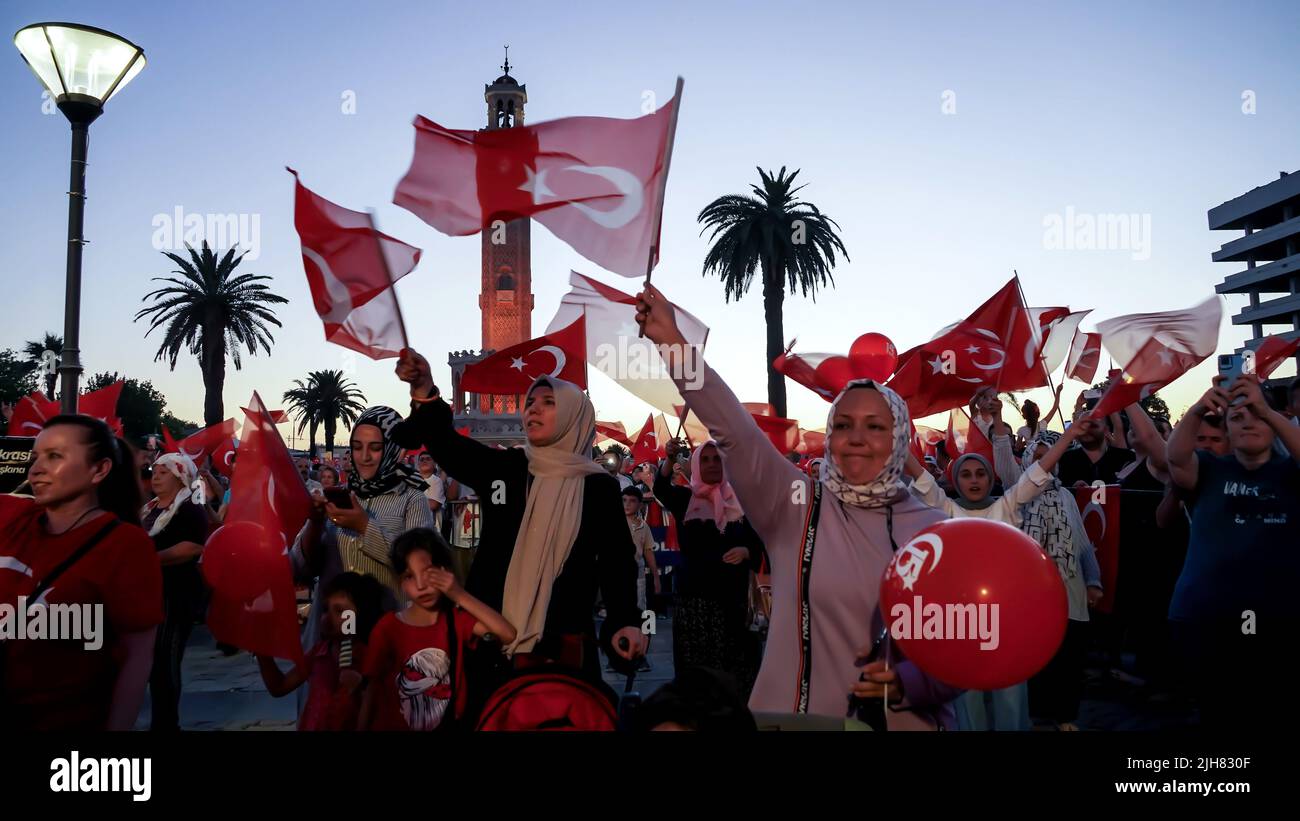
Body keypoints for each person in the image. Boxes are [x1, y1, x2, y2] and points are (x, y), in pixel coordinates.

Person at [637, 284, 960, 728]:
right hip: (789, 720)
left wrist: (909, 680)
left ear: (900, 438)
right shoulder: (796, 505)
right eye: (843, 424)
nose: (857, 438)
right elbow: (734, 431)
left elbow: (961, 645)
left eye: (876, 426)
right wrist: (675, 347)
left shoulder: (935, 529)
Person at [392, 351, 647, 699]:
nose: (533, 409)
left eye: (548, 402)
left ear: (574, 415)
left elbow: (618, 561)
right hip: (493, 640)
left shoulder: (597, 486)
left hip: (564, 643)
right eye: (530, 403)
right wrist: (423, 388)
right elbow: (449, 447)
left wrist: (626, 620)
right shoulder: (507, 469)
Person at [905, 421, 1086, 731]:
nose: (974, 481)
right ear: (955, 479)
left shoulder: (1007, 508)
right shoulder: (945, 511)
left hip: (1006, 621)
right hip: (959, 621)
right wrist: (895, 439)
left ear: (991, 479)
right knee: (966, 697)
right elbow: (920, 476)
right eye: (965, 474)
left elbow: (1038, 473)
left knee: (1011, 696)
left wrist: (1069, 435)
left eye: (980, 474)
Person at [0, 415, 162, 730]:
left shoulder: (125, 546)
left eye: (55, 456)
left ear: (99, 469)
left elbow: (136, 658)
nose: (36, 469)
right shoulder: (13, 517)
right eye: (35, 458)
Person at [1165, 374, 1300, 729]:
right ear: (1226, 431)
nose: (1248, 423)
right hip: (1207, 618)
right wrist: (1197, 409)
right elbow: (1175, 458)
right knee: (1219, 713)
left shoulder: (1290, 472)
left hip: (1276, 620)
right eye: (1237, 418)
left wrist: (1266, 410)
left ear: (1274, 423)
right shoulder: (1211, 469)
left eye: (1257, 415)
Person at [990, 428, 1104, 729]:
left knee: (1070, 656)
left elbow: (1081, 541)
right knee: (1035, 651)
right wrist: (1000, 421)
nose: (1045, 464)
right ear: (1027, 461)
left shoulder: (1065, 494)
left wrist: (1093, 581)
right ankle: (1036, 714)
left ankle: (1065, 716)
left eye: (1050, 459)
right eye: (1038, 458)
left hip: (1070, 587)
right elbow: (1002, 459)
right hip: (1031, 591)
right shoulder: (1018, 491)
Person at [358, 528, 517, 731]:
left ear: (446, 572)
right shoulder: (387, 628)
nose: (421, 585)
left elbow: (507, 634)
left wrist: (458, 593)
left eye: (429, 573)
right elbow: (371, 692)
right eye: (409, 576)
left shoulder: (456, 621)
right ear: (400, 582)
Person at [653, 438, 766, 699]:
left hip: (735, 603)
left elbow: (761, 540)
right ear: (694, 464)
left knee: (738, 677)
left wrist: (747, 551)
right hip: (696, 604)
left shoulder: (743, 501)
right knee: (698, 679)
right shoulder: (685, 499)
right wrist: (670, 459)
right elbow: (660, 487)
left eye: (717, 459)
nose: (712, 464)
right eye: (705, 459)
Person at [294, 406, 434, 605]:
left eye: (375, 448)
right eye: (357, 447)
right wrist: (314, 524)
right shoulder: (336, 496)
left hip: (387, 627)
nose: (364, 457)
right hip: (333, 629)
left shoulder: (412, 499)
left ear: (393, 448)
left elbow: (421, 567)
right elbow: (298, 567)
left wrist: (365, 527)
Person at [257, 571, 383, 730]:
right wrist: (261, 650)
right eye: (325, 609)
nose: (327, 617)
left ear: (360, 616)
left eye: (340, 611)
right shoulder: (319, 653)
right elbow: (279, 687)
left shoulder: (369, 657)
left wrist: (360, 687)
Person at [1057, 407, 1137, 488]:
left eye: (1093, 425)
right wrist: (1071, 490)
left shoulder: (1126, 458)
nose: (1087, 430)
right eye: (1082, 426)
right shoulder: (1065, 460)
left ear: (1105, 429)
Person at [622, 485, 661, 613]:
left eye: (632, 501)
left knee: (641, 607)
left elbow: (648, 551)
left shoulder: (644, 526)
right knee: (619, 609)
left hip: (638, 571)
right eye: (624, 500)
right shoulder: (614, 523)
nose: (627, 504)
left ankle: (643, 632)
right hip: (618, 571)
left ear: (640, 505)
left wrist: (656, 577)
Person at [415, 452, 445, 531]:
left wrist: (410, 501)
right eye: (421, 459)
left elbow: (433, 504)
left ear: (434, 464)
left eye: (428, 459)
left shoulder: (436, 481)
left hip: (430, 528)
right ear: (418, 464)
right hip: (413, 524)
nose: (424, 461)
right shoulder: (413, 479)